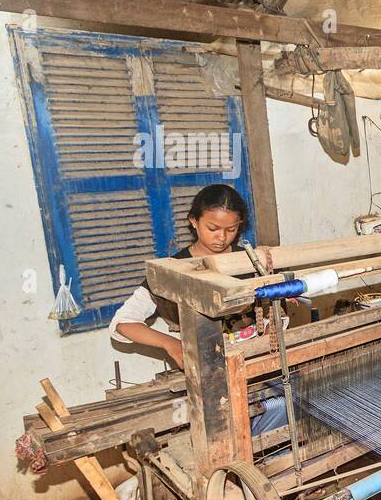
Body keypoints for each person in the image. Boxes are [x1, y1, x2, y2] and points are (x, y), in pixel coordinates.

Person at [109, 184, 288, 437]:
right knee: (226, 432)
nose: (222, 238)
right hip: (209, 375)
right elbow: (121, 325)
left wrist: (272, 323)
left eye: (231, 229)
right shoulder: (173, 271)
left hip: (258, 366)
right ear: (194, 221)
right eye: (213, 229)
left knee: (286, 406)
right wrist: (171, 344)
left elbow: (280, 311)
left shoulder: (253, 262)